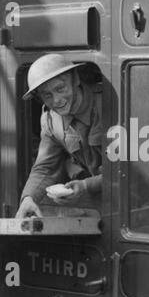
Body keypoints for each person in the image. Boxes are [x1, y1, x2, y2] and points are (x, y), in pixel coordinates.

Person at [16, 53, 110, 219]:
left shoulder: (110, 105)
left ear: (75, 80)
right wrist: (28, 198)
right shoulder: (51, 121)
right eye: (47, 95)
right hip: (102, 200)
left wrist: (87, 186)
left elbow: (129, 168)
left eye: (60, 89)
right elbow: (45, 167)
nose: (57, 100)